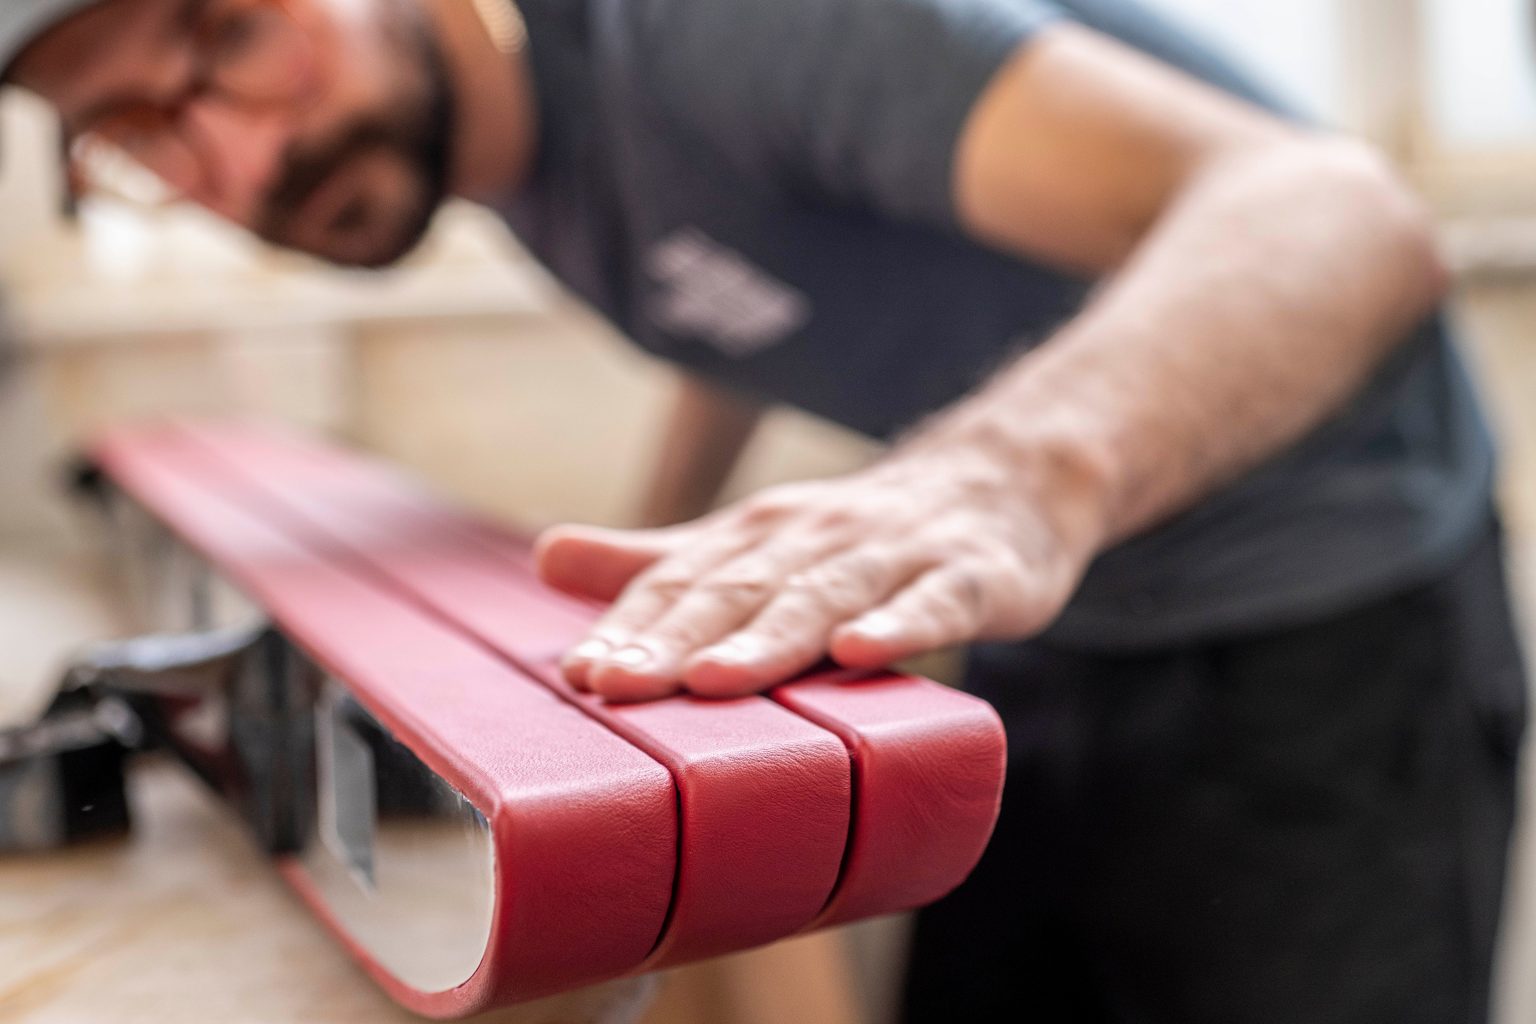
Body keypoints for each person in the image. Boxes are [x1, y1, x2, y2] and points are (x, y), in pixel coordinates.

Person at [1, 0, 1525, 1020]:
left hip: (1330, 611)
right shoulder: (503, 157)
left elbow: (1338, 212)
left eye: (229, 29)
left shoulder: (712, 27)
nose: (241, 156)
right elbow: (732, 300)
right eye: (136, 136)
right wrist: (665, 544)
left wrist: (998, 476)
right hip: (1060, 615)